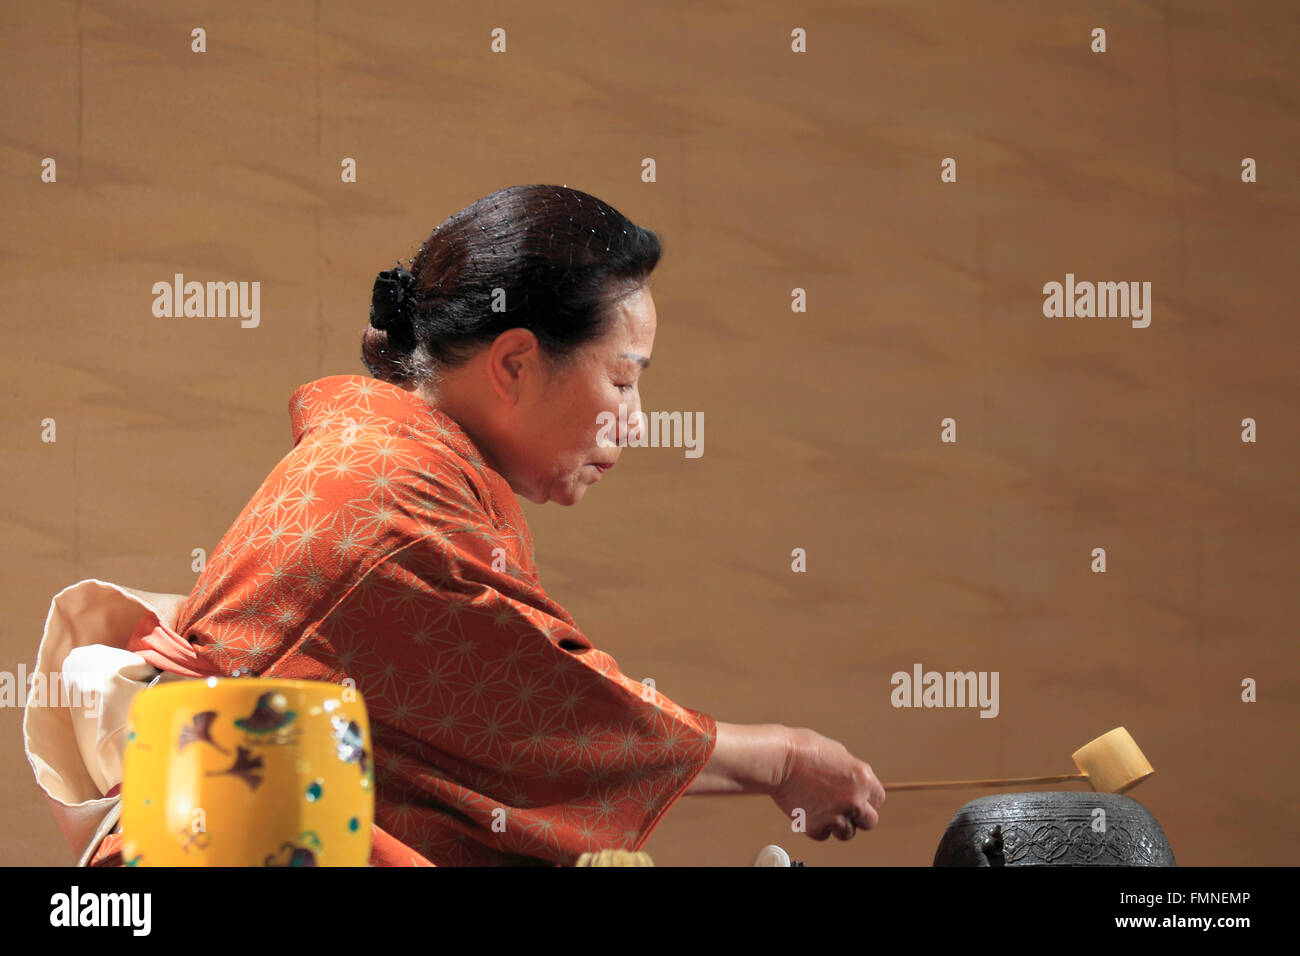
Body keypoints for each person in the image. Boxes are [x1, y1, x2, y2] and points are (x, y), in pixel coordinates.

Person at [89, 184, 883, 866]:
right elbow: (559, 713)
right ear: (513, 364)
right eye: (623, 379)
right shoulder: (393, 494)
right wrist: (781, 760)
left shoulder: (391, 460)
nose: (635, 424)